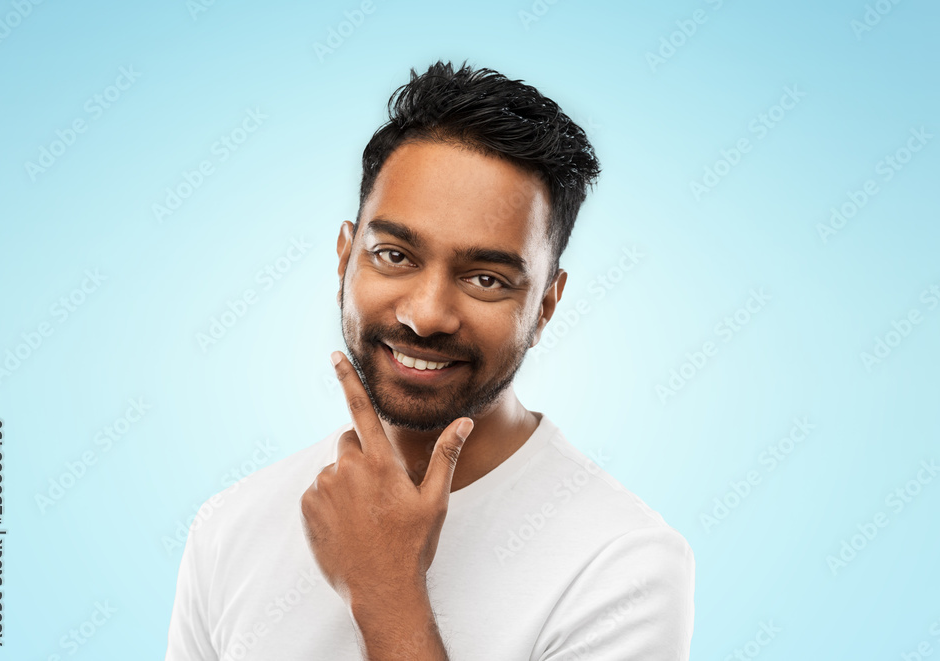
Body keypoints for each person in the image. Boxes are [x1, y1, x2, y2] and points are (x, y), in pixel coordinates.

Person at [165, 60, 694, 661]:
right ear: (345, 258)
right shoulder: (229, 527)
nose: (426, 314)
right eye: (394, 254)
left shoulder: (625, 565)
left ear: (545, 305)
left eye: (486, 278)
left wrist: (386, 593)